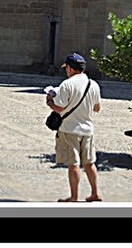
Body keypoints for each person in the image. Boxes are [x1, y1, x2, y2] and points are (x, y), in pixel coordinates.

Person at [47, 52, 102, 202]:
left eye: (67, 68)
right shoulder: (94, 84)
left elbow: (59, 107)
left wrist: (50, 101)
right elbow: (97, 108)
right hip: (88, 129)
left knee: (73, 164)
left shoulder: (67, 84)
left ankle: (74, 197)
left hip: (69, 129)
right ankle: (95, 193)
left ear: (70, 68)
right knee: (89, 163)